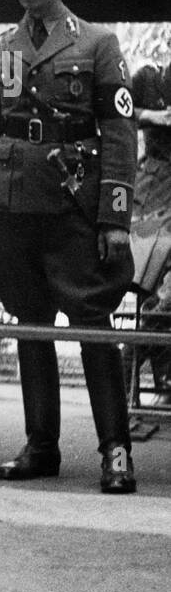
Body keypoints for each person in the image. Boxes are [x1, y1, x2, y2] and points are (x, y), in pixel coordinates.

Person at [0, 0, 137, 493]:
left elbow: (119, 133)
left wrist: (114, 218)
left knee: (92, 323)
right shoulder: (0, 49)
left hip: (73, 206)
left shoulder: (97, 43)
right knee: (30, 323)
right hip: (14, 207)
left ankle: (116, 450)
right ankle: (41, 445)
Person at [129, 61, 171, 404]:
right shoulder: (149, 78)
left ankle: (134, 360)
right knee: (153, 288)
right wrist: (153, 116)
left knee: (164, 295)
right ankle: (156, 379)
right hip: (154, 191)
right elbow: (116, 112)